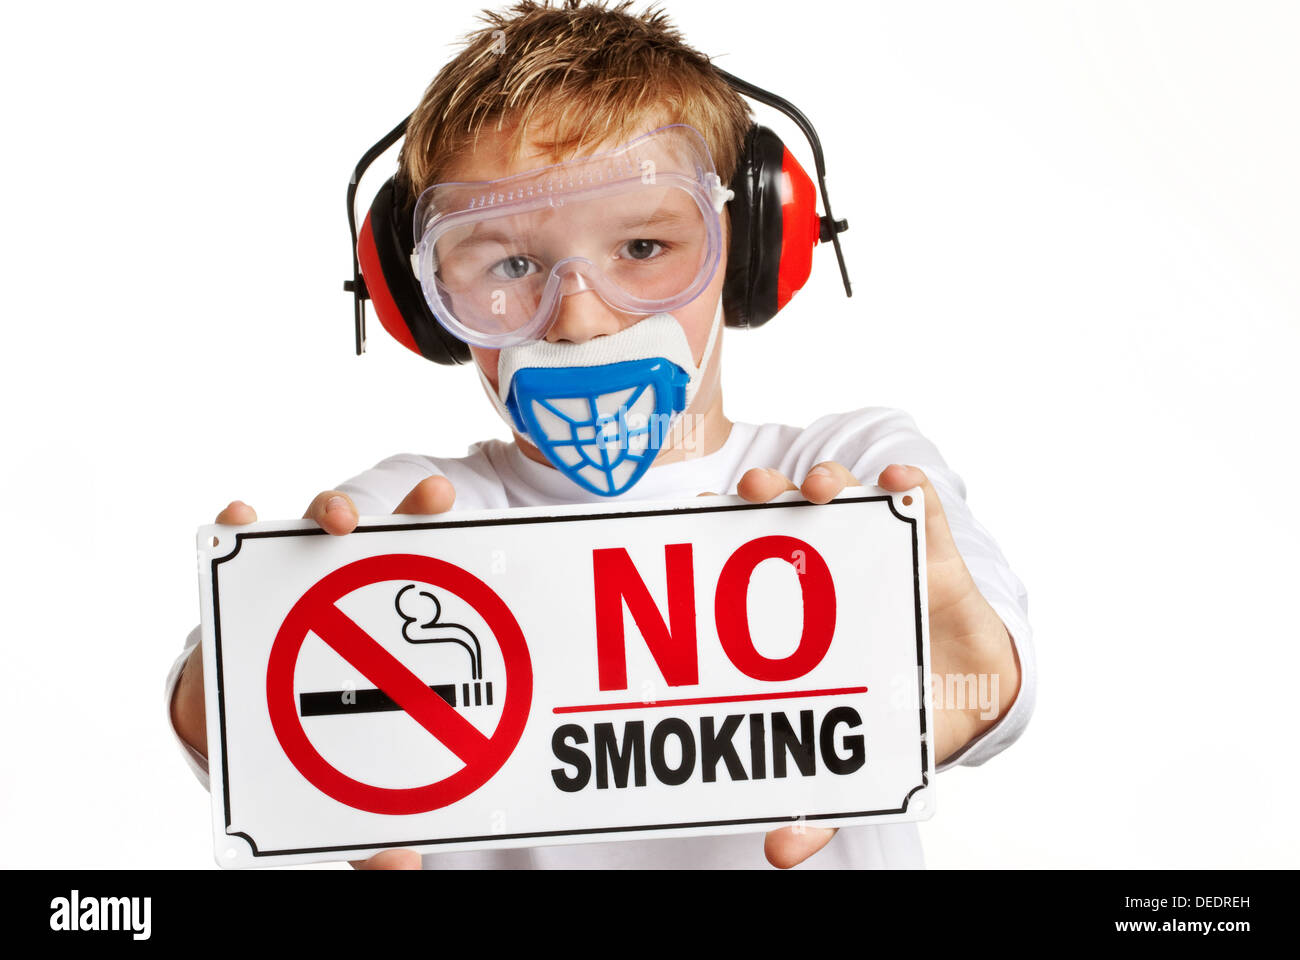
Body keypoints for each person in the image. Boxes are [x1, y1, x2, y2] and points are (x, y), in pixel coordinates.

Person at [167, 0, 1036, 870]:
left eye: (646, 245)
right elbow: (226, 710)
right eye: (510, 266)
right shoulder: (411, 518)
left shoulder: (848, 472)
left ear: (749, 242)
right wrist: (255, 640)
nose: (580, 317)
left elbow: (977, 633)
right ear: (421, 297)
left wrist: (976, 677)